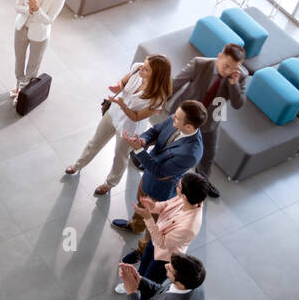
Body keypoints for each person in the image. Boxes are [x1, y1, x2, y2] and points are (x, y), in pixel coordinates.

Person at [66, 54, 172, 197]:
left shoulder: (157, 97)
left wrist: (123, 105)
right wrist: (117, 87)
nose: (141, 70)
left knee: (120, 156)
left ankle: (109, 183)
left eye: (146, 70)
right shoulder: (137, 68)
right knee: (95, 142)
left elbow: (136, 117)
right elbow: (122, 83)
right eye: (143, 66)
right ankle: (78, 165)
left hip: (130, 128)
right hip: (113, 114)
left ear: (157, 76)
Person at [115, 171, 207, 300]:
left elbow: (163, 243)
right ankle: (133, 285)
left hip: (165, 256)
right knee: (143, 265)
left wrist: (148, 218)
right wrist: (154, 207)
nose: (176, 184)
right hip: (155, 240)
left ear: (184, 195)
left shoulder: (189, 226)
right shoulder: (185, 199)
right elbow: (166, 205)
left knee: (150, 284)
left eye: (178, 185)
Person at [165, 44, 248, 198]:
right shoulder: (199, 64)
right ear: (220, 56)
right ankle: (146, 158)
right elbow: (176, 83)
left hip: (212, 119)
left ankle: (202, 180)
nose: (228, 71)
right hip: (186, 113)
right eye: (226, 66)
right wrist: (160, 101)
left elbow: (238, 104)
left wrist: (234, 84)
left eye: (234, 68)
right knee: (168, 139)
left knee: (209, 154)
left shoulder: (240, 77)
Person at [111, 100, 207, 233]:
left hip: (160, 189)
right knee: (142, 204)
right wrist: (143, 140)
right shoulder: (178, 118)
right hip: (148, 174)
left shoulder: (192, 153)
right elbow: (156, 130)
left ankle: (143, 249)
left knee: (153, 223)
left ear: (189, 127)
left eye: (177, 117)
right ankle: (136, 226)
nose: (173, 116)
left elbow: (160, 172)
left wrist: (139, 150)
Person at [11, 0, 67, 101]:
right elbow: (17, 6)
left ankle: (24, 93)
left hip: (40, 35)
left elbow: (48, 20)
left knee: (32, 67)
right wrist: (29, 10)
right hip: (21, 27)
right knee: (19, 60)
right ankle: (18, 86)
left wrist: (36, 9)